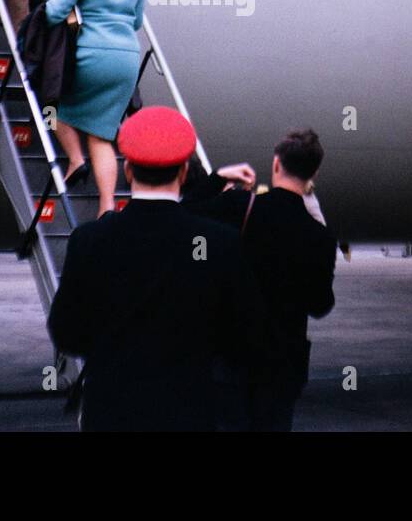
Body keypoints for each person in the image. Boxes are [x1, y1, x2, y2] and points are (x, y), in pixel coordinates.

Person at [47, 107, 258, 431]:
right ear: (185, 173)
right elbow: (241, 338)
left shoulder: (90, 240)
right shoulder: (220, 243)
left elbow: (66, 332)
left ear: (128, 170)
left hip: (111, 413)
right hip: (189, 414)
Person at [183, 128, 337, 431]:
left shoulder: (242, 206)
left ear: (276, 164)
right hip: (283, 364)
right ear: (314, 172)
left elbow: (184, 213)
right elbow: (320, 304)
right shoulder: (320, 234)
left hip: (232, 355)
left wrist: (218, 178)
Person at [43, 0, 144, 217]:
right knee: (101, 133)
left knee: (52, 108)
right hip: (127, 58)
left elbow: (54, 12)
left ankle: (75, 159)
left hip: (93, 54)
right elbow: (137, 21)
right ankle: (107, 205)